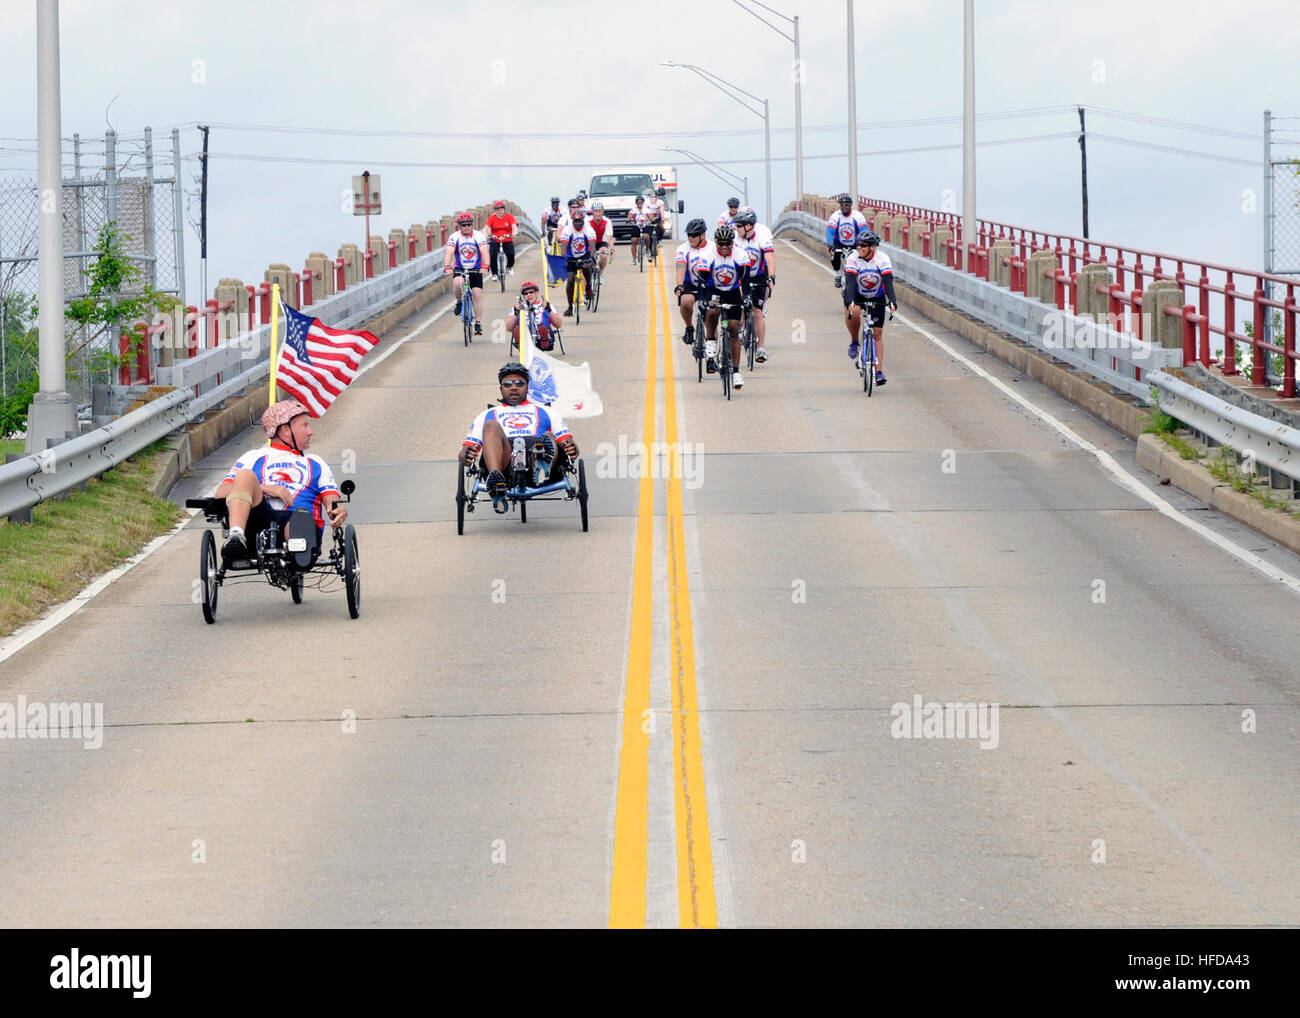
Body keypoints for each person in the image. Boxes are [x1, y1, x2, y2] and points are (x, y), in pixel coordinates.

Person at [213, 400, 347, 564]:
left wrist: (338, 509)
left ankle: (298, 551)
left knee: (300, 517)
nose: (310, 432)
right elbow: (222, 492)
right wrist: (269, 489)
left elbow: (331, 498)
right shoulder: (253, 457)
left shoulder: (316, 462)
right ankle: (236, 538)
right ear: (285, 430)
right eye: (304, 426)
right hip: (259, 522)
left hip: (298, 523)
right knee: (245, 476)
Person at [460, 362, 580, 511]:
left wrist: (572, 448)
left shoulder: (546, 411)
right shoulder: (487, 415)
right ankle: (496, 482)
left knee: (548, 436)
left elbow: (567, 441)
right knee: (491, 425)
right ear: (501, 388)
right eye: (508, 384)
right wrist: (466, 455)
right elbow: (465, 451)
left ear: (527, 387)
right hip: (504, 459)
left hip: (537, 451)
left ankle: (540, 467)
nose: (514, 387)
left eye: (519, 383)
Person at [697, 223, 753, 391]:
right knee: (712, 310)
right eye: (720, 243)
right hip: (713, 288)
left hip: (733, 291)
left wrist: (747, 298)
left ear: (732, 243)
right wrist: (701, 300)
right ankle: (711, 341)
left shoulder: (740, 255)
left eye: (727, 243)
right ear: (716, 242)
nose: (724, 247)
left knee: (734, 329)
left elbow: (746, 281)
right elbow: (701, 281)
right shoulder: (707, 254)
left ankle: (735, 371)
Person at [843, 229, 898, 386]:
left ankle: (878, 372)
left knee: (877, 334)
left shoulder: (882, 259)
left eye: (863, 246)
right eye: (858, 245)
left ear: (872, 248)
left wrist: (892, 301)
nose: (858, 248)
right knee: (852, 312)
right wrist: (850, 301)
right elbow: (850, 282)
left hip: (877, 295)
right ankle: (854, 341)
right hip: (858, 293)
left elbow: (888, 282)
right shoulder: (853, 258)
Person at [732, 209, 774, 364]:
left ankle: (761, 348)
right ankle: (743, 328)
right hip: (741, 276)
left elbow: (769, 258)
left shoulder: (762, 237)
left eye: (738, 226)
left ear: (748, 226)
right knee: (742, 304)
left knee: (757, 312)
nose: (735, 229)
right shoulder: (735, 240)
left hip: (758, 276)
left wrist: (772, 277)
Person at [445, 212, 489, 334]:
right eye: (463, 225)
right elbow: (449, 251)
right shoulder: (454, 237)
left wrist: (485, 266)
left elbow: (484, 251)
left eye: (469, 224)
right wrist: (447, 266)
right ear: (460, 226)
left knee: (477, 294)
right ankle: (459, 302)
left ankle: (478, 323)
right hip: (460, 267)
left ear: (472, 225)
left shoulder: (479, 236)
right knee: (458, 282)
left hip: (475, 268)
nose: (466, 227)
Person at [672, 218, 711, 346]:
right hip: (691, 283)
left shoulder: (713, 248)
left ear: (703, 235)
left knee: (710, 320)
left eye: (694, 235)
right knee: (686, 302)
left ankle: (713, 351)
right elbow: (681, 267)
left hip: (709, 284)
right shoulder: (683, 248)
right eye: (689, 235)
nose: (691, 238)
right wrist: (679, 285)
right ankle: (689, 327)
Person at [557, 209, 598, 317]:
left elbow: (592, 244)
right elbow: (564, 245)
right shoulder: (567, 230)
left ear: (583, 220)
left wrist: (592, 257)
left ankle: (588, 286)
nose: (578, 223)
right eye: (575, 221)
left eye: (580, 221)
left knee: (587, 267)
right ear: (572, 221)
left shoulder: (588, 229)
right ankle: (570, 306)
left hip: (584, 254)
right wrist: (563, 258)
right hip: (571, 256)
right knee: (570, 280)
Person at [507, 280, 563, 352]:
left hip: (543, 332)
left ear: (536, 292)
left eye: (531, 292)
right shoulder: (518, 307)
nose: (528, 295)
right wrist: (515, 314)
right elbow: (508, 328)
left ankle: (544, 341)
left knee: (542, 326)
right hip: (525, 334)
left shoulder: (546, 306)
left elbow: (559, 324)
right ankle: (521, 344)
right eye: (526, 293)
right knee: (517, 328)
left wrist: (549, 310)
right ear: (523, 296)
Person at [825, 193, 866, 288]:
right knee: (834, 255)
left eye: (846, 205)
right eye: (842, 205)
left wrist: (864, 244)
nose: (844, 207)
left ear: (850, 205)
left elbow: (864, 230)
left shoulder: (857, 216)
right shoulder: (835, 216)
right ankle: (838, 275)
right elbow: (830, 231)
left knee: (862, 257)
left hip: (855, 243)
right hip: (839, 242)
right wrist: (830, 245)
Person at [485, 200, 519, 279]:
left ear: (504, 210)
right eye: (497, 210)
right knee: (492, 255)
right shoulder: (492, 218)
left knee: (511, 254)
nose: (499, 211)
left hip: (507, 239)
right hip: (495, 240)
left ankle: (509, 267)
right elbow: (486, 228)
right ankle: (495, 274)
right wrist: (485, 234)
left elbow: (514, 226)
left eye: (501, 209)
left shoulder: (509, 217)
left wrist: (514, 233)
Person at [588, 201, 615, 274]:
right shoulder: (587, 220)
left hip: (601, 242)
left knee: (604, 255)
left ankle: (601, 272)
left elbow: (609, 237)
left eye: (600, 211)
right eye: (596, 211)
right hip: (590, 242)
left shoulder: (607, 221)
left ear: (603, 212)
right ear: (592, 212)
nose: (598, 214)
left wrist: (612, 249)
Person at [627, 196, 649, 263]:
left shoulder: (646, 209)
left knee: (646, 236)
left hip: (645, 225)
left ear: (643, 203)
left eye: (641, 203)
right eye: (638, 203)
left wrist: (649, 220)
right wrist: (629, 220)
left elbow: (651, 218)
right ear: (636, 203)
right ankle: (634, 259)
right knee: (634, 240)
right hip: (636, 226)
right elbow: (629, 217)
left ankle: (647, 249)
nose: (639, 204)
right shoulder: (633, 210)